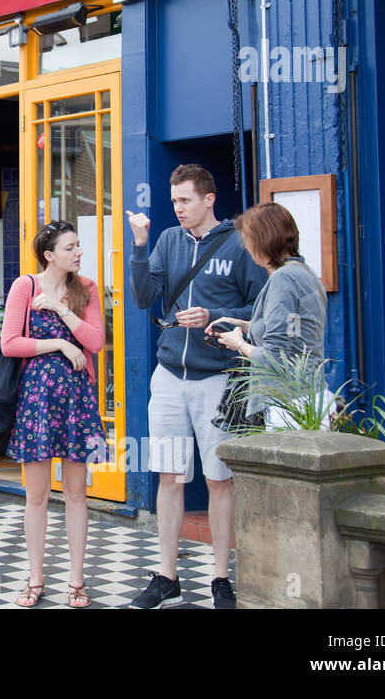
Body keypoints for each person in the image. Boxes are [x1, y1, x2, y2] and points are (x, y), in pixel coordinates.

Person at [125, 163, 267, 610]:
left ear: (208, 199)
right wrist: (141, 245)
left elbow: (259, 309)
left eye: (185, 200)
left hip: (218, 379)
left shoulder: (240, 242)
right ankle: (167, 576)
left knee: (218, 479)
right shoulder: (167, 240)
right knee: (168, 476)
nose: (178, 209)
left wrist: (213, 315)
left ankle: (221, 577)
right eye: (173, 201)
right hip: (169, 377)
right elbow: (145, 297)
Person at [0, 220, 106, 608]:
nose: (78, 253)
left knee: (77, 495)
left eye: (78, 246)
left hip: (77, 401)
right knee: (37, 496)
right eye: (70, 247)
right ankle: (35, 578)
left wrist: (62, 309)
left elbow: (95, 341)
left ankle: (76, 581)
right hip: (36, 403)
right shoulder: (24, 287)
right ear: (49, 255)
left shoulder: (86, 289)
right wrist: (59, 342)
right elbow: (9, 343)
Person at [206, 202, 328, 421]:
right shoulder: (304, 273)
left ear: (262, 241)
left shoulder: (283, 279)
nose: (246, 247)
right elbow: (293, 333)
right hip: (309, 396)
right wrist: (242, 324)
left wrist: (239, 344)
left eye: (248, 239)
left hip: (288, 403)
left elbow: (276, 357)